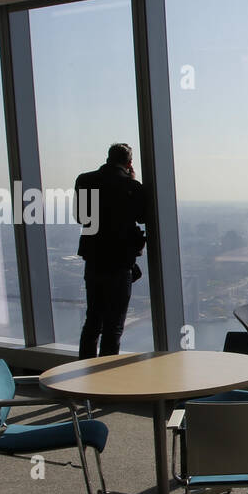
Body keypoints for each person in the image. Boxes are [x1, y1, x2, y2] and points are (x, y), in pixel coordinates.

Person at [75, 143, 150, 359]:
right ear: (129, 163)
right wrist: (133, 183)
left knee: (93, 320)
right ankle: (105, 378)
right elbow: (143, 217)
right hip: (119, 261)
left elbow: (81, 217)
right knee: (114, 325)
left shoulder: (85, 180)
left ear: (108, 158)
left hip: (95, 259)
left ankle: (84, 373)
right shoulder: (131, 187)